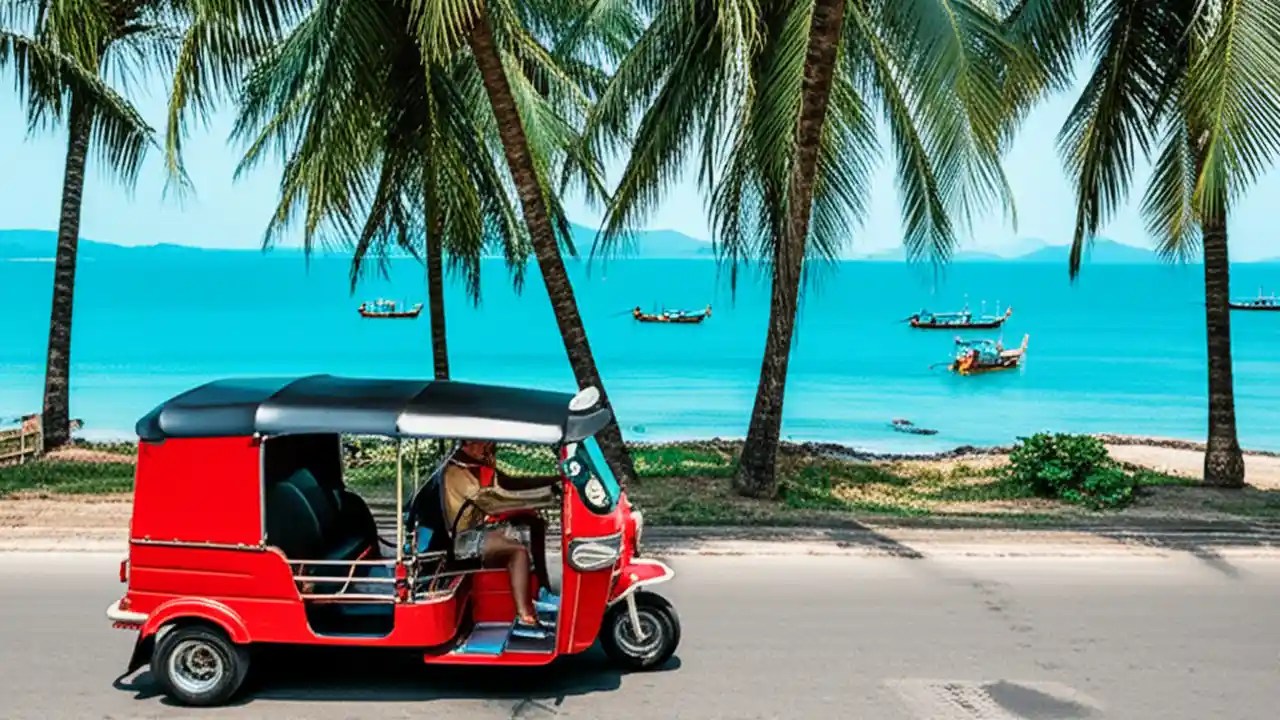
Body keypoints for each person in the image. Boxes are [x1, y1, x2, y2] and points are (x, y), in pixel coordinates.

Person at [443, 439, 558, 637]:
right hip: (463, 541)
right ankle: (525, 617)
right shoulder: (457, 473)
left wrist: (551, 483)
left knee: (534, 523)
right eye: (482, 444)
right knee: (518, 553)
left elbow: (507, 484)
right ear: (466, 444)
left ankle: (543, 590)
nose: (487, 448)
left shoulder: (473, 467)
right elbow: (495, 503)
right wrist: (546, 496)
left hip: (477, 530)